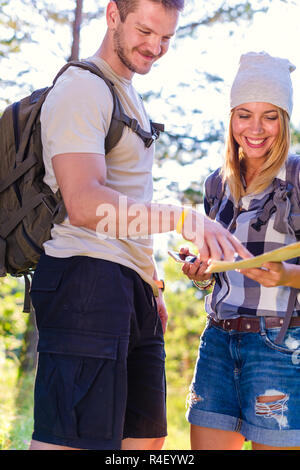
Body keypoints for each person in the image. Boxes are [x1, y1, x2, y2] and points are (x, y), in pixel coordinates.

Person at [29, 0, 249, 451]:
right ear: (113, 15)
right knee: (74, 443)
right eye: (145, 32)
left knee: (146, 443)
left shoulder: (128, 93)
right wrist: (184, 217)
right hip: (83, 279)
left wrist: (149, 279)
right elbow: (86, 203)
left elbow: (128, 199)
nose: (155, 47)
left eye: (166, 37)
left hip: (130, 287)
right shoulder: (81, 88)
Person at [182, 51, 300, 450]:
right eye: (244, 114)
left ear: (284, 121)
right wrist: (201, 272)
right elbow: (219, 271)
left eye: (270, 116)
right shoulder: (216, 184)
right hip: (217, 341)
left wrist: (289, 275)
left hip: (278, 346)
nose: (256, 128)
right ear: (231, 119)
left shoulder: (297, 177)